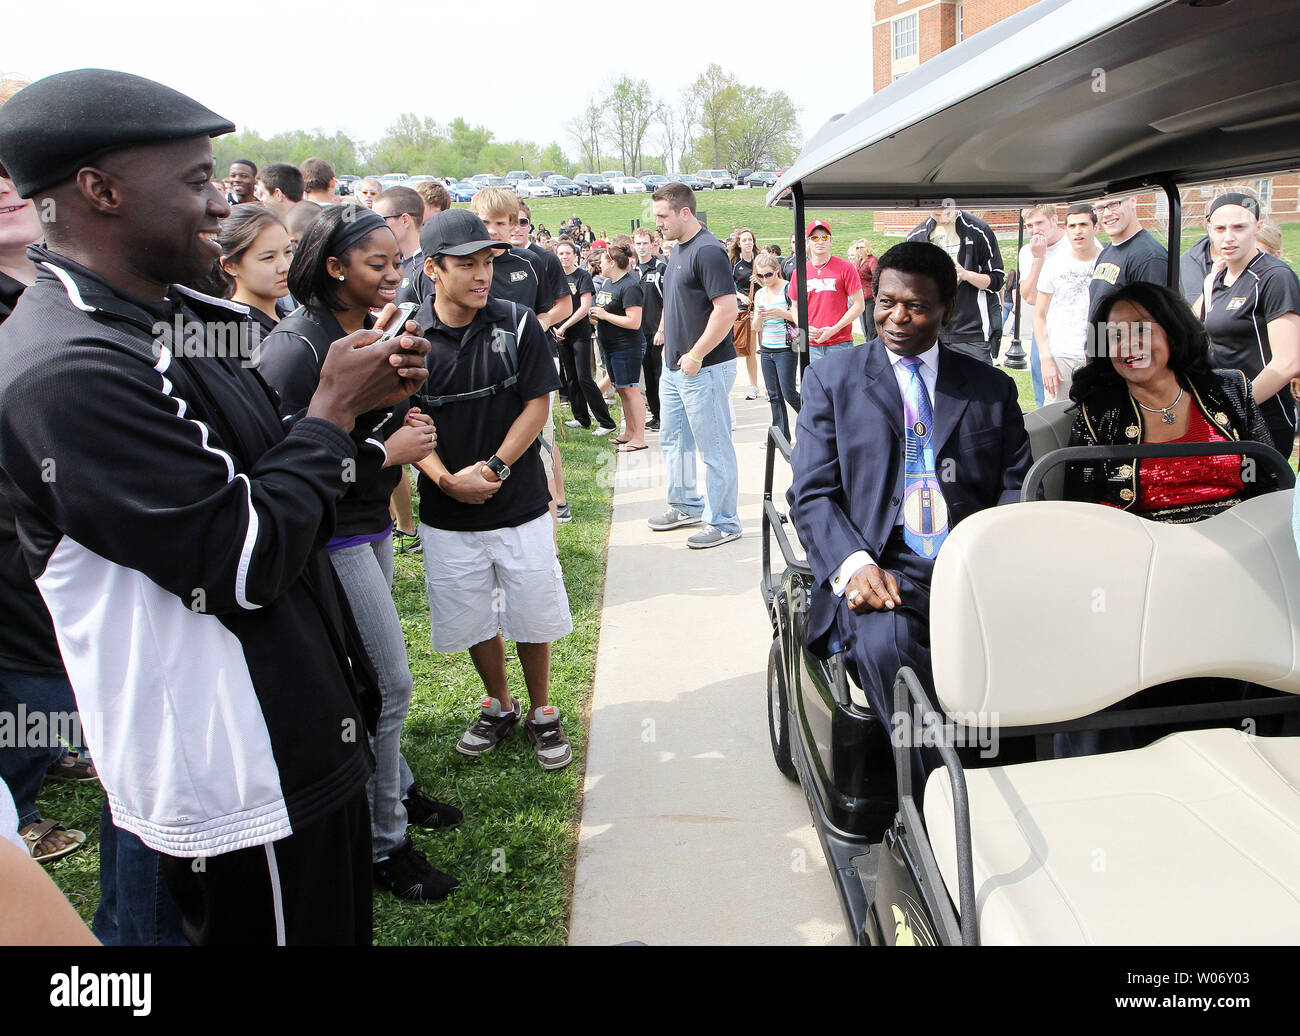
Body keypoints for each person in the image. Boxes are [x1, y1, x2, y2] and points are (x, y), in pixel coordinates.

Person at [0, 69, 432, 945]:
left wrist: (364, 416)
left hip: (303, 739)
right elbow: (242, 562)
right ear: (100, 191)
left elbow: (279, 475)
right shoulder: (69, 365)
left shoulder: (175, 316)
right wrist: (333, 411)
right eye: (197, 182)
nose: (219, 206)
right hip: (239, 773)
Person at [257, 204, 459, 904]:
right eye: (377, 264)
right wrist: (385, 453)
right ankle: (384, 844)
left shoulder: (363, 328)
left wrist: (408, 404)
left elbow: (366, 424)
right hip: (330, 536)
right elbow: (285, 467)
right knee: (391, 686)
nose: (393, 276)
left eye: (396, 261)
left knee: (374, 684)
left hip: (370, 524)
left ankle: (397, 790)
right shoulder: (296, 347)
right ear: (334, 267)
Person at [788, 240, 1031, 737]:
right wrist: (855, 566)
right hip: (882, 560)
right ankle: (938, 798)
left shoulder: (990, 388)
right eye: (886, 302)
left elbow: (1015, 485)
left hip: (970, 559)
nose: (896, 317)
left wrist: (991, 563)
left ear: (947, 310)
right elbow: (811, 493)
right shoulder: (832, 378)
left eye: (915, 306)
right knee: (889, 655)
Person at [410, 209, 575, 771]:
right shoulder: (408, 337)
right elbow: (403, 419)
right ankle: (499, 705)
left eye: (487, 263)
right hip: (445, 514)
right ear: (433, 268)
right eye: (467, 265)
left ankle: (542, 709)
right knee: (472, 614)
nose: (482, 276)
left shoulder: (518, 324)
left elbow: (537, 403)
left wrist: (496, 469)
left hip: (520, 504)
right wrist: (443, 479)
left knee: (533, 610)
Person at [1065, 280, 1273, 522]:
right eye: (1115, 336)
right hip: (1145, 549)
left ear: (1172, 333)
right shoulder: (1097, 414)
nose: (1129, 345)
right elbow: (1080, 509)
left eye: (1141, 330)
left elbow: (1268, 479)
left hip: (1238, 539)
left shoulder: (1231, 390)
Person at [648, 182, 741, 548]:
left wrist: (697, 354)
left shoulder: (708, 251)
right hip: (676, 368)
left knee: (714, 448)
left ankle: (724, 522)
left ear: (684, 212)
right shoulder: (679, 251)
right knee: (675, 442)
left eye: (662, 216)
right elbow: (677, 304)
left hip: (705, 368)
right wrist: (667, 341)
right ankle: (685, 503)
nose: (658, 223)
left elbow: (727, 309)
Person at [1193, 193, 1300, 459]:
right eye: (1220, 228)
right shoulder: (1217, 277)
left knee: (1259, 498)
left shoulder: (1275, 277)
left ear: (1257, 228)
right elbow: (1185, 326)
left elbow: (1287, 362)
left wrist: (1240, 404)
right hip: (1223, 415)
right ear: (1209, 230)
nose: (1229, 237)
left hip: (1263, 419)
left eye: (1239, 227)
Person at [906, 205, 1005, 364]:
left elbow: (997, 279)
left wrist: (967, 275)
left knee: (980, 387)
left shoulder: (979, 230)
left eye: (947, 213)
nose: (943, 219)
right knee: (937, 388)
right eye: (937, 214)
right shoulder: (916, 237)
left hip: (971, 332)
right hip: (930, 333)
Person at [1033, 203, 1102, 403]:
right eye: (1071, 226)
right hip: (1062, 356)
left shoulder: (1108, 261)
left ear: (1095, 227)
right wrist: (1046, 359)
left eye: (1083, 225)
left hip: (1098, 354)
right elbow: (1039, 315)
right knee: (1057, 423)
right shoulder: (1054, 265)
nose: (1077, 231)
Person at [555, 240, 616, 435]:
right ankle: (581, 417)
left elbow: (584, 307)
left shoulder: (582, 276)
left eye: (567, 253)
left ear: (575, 256)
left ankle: (606, 421)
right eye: (561, 253)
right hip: (560, 334)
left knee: (584, 377)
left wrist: (564, 326)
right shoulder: (554, 277)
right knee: (570, 377)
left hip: (578, 333)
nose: (564, 257)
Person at [592, 242, 648, 452]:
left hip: (626, 346)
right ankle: (630, 431)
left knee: (631, 389)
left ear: (613, 262)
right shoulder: (608, 283)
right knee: (621, 389)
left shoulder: (629, 286)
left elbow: (634, 322)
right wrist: (598, 318)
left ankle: (639, 437)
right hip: (610, 344)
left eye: (602, 261)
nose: (599, 265)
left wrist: (605, 315)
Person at [787, 219, 865, 364]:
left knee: (841, 386)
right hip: (810, 345)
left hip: (840, 343)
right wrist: (803, 328)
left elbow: (859, 305)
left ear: (831, 241)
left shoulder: (845, 267)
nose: (820, 241)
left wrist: (834, 329)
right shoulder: (799, 272)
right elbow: (794, 306)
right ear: (808, 242)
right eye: (815, 238)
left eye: (824, 237)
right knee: (813, 385)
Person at [1016, 204, 1071, 404]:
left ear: (1055, 220)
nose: (1034, 230)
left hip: (1076, 328)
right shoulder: (1027, 252)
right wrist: (1038, 258)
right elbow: (1029, 297)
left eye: (1039, 222)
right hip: (1044, 327)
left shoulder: (1074, 243)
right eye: (1029, 226)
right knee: (1046, 392)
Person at [215, 203, 293, 333]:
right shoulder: (235, 332)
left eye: (288, 252)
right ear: (230, 266)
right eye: (268, 257)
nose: (285, 267)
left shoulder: (289, 316)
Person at [750, 252, 800, 442]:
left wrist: (781, 312)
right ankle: (781, 437)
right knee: (774, 395)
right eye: (760, 276)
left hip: (786, 348)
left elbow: (799, 318)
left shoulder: (788, 289)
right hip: (766, 348)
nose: (765, 279)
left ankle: (811, 421)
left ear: (777, 271)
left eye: (768, 274)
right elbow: (755, 327)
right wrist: (759, 317)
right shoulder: (760, 293)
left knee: (788, 392)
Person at [1088, 194, 1168, 313]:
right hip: (1098, 332)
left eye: (1113, 204)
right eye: (1100, 209)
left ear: (1133, 200)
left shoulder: (1150, 258)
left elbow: (1152, 321)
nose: (1106, 214)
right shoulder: (1106, 252)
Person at [633, 227, 667, 431]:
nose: (642, 247)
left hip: (657, 333)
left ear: (653, 244)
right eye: (638, 243)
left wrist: (662, 330)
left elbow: (668, 302)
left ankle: (665, 416)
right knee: (648, 378)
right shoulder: (633, 271)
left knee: (660, 376)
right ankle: (655, 414)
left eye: (645, 243)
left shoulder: (661, 268)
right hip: (640, 334)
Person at [728, 228, 763, 398]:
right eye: (744, 240)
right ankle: (754, 385)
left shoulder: (761, 261)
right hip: (747, 311)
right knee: (750, 350)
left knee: (767, 348)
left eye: (750, 239)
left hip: (764, 308)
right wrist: (741, 296)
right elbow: (729, 286)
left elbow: (775, 281)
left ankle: (771, 386)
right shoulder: (735, 264)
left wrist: (761, 280)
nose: (748, 242)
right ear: (739, 243)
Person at [849, 238, 878, 342]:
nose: (860, 250)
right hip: (862, 299)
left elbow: (877, 278)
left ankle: (873, 350)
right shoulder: (860, 261)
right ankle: (868, 348)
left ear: (867, 248)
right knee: (864, 328)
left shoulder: (872, 261)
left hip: (871, 299)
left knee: (871, 327)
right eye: (858, 248)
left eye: (862, 247)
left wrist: (876, 297)